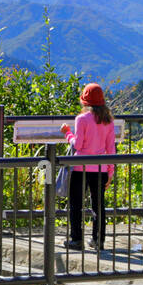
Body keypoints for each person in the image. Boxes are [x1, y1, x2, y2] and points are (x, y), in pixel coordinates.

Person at [60, 83, 116, 251]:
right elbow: (111, 149)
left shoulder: (82, 119)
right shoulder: (108, 120)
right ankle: (98, 240)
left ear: (84, 101)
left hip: (80, 168)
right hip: (101, 169)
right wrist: (110, 171)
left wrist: (67, 133)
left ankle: (76, 240)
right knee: (98, 206)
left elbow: (78, 145)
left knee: (76, 204)